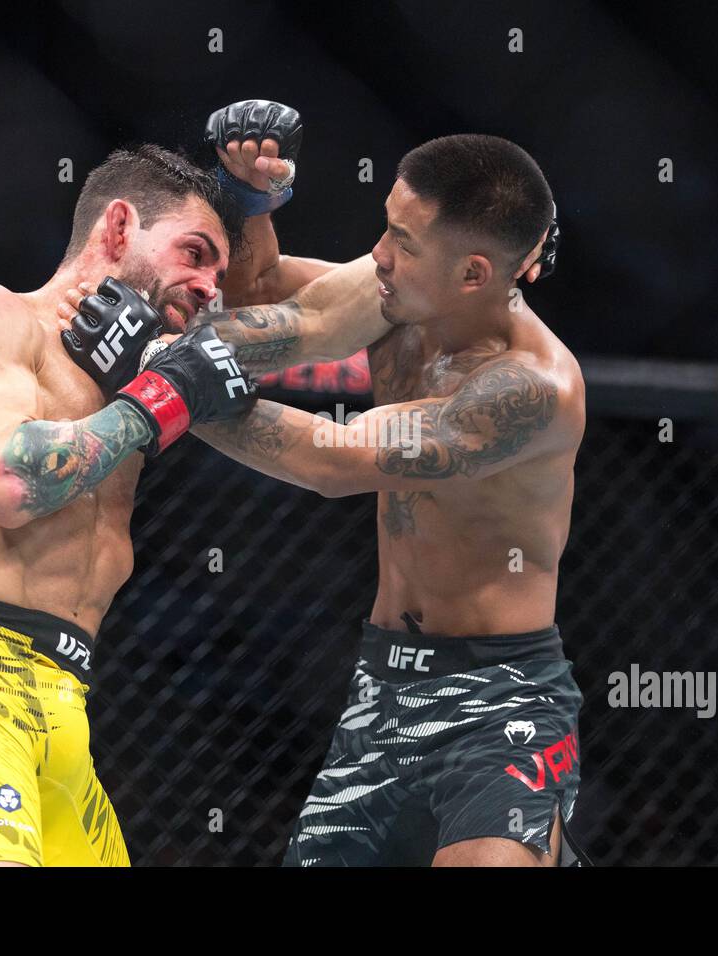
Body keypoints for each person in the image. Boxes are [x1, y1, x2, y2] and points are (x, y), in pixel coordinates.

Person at [63, 127, 584, 866]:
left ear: (472, 274)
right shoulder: (393, 297)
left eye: (403, 240)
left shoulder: (530, 390)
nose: (376, 251)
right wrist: (249, 203)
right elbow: (273, 302)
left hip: (499, 699)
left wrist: (157, 376)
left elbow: (334, 459)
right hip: (384, 684)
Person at [0, 142, 264, 866]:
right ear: (118, 229)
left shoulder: (139, 374)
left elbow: (315, 376)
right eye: (194, 253)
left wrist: (262, 205)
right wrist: (155, 403)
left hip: (67, 706)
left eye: (218, 271)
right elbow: (14, 482)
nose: (211, 286)